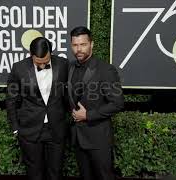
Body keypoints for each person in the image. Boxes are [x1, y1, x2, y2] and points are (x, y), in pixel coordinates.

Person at [6, 37, 69, 180]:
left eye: (46, 62)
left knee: (56, 173)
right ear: (31, 55)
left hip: (56, 128)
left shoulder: (63, 64)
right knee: (34, 173)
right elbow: (11, 99)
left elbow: (69, 93)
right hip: (29, 129)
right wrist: (16, 127)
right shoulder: (19, 68)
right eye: (38, 62)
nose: (41, 66)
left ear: (51, 54)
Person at [68, 26, 124, 180]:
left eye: (83, 44)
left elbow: (118, 103)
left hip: (98, 138)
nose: (79, 49)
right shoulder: (71, 67)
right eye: (75, 45)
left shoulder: (106, 70)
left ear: (91, 44)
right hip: (78, 138)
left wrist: (88, 115)